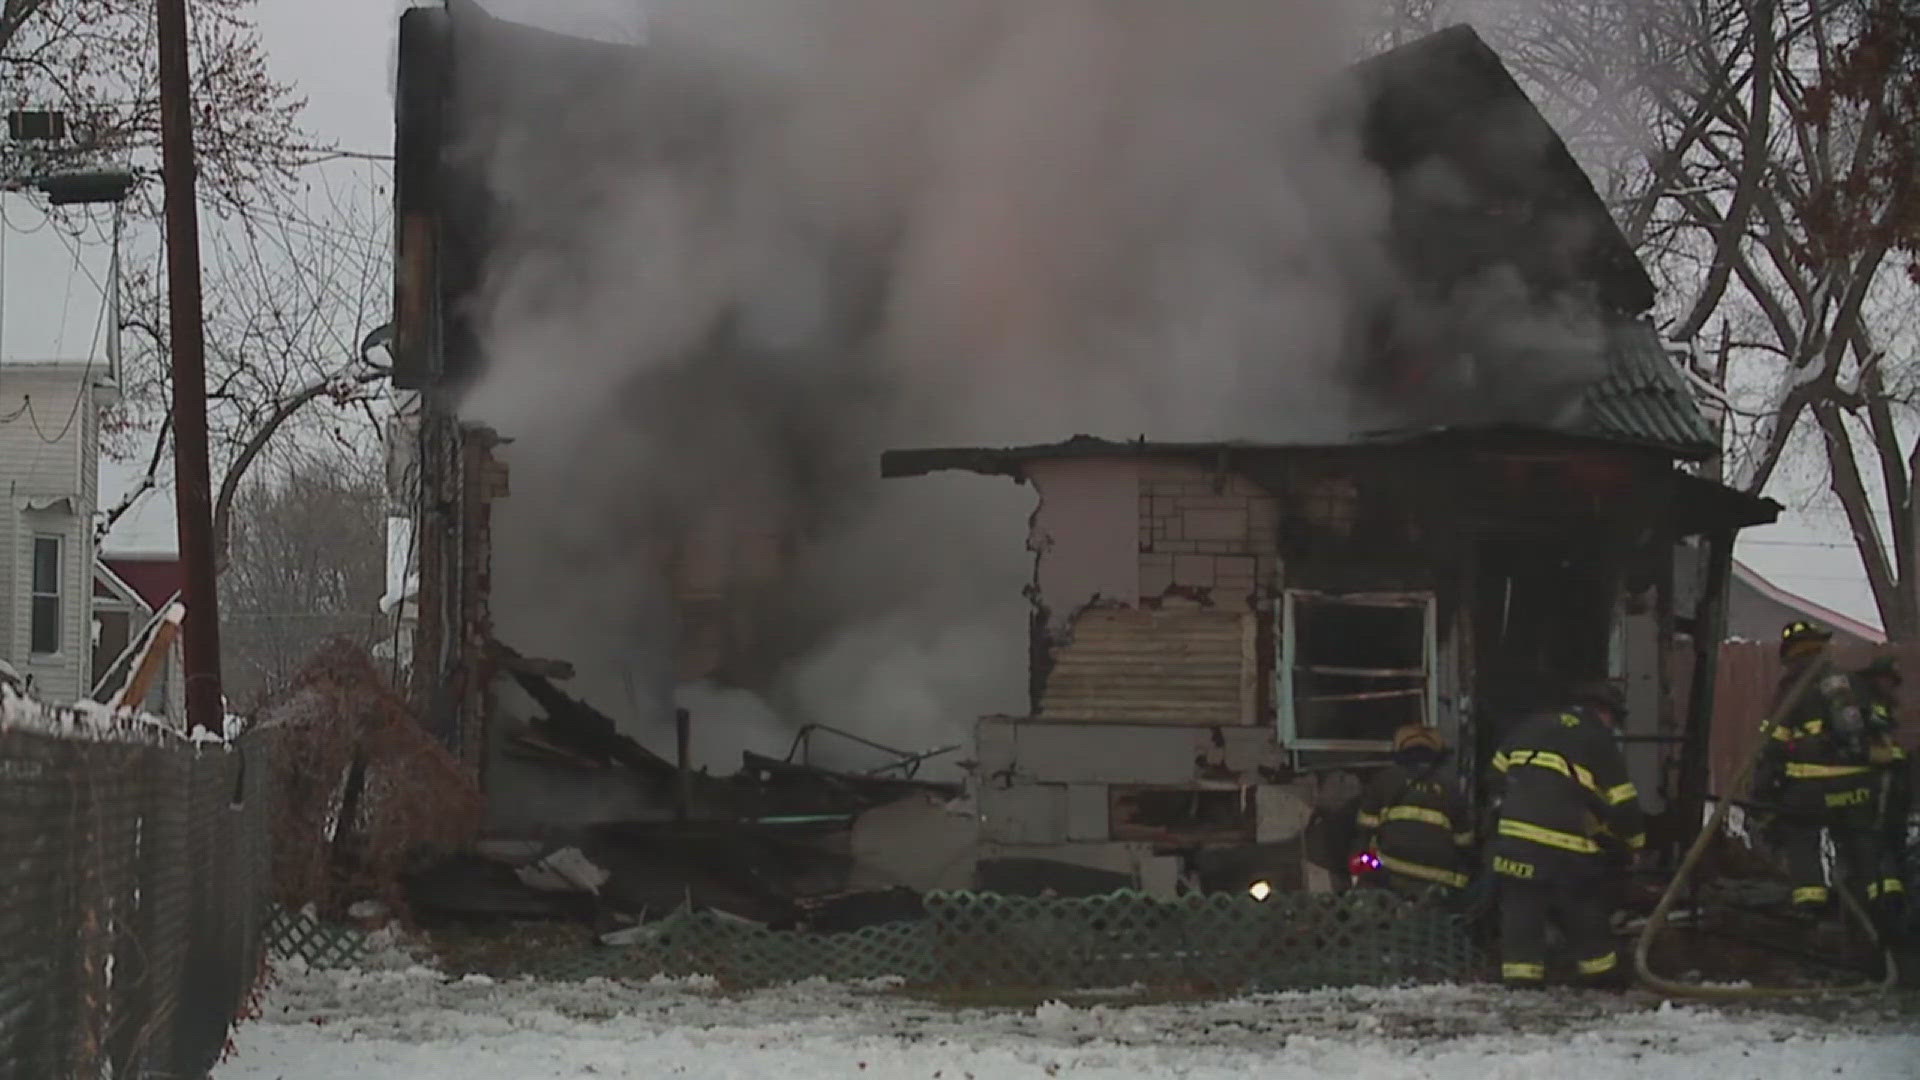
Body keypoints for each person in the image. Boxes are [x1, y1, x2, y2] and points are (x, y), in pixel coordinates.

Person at [1488, 679, 1644, 988]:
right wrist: (1633, 845)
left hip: (1515, 843)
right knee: (1584, 912)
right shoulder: (1597, 738)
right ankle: (1600, 977)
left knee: (1521, 915)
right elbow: (1624, 804)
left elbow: (1494, 778)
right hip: (1567, 848)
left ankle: (1521, 984)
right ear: (1604, 712)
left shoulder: (1530, 726)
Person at [1753, 622, 1894, 928]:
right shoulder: (1853, 683)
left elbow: (1772, 747)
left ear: (1789, 655)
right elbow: (1879, 730)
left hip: (1811, 790)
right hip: (1859, 787)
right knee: (1861, 841)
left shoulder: (1792, 689)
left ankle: (1811, 905)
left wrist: (1761, 792)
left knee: (1801, 836)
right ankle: (1874, 905)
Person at [1351, 723, 1475, 896]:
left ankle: (1360, 898)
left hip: (1389, 874)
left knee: (1362, 857)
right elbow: (1464, 842)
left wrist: (1360, 872)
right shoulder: (1451, 789)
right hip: (1438, 883)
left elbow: (1364, 830)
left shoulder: (1385, 780)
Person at [1855, 656, 1909, 935]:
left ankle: (1890, 906)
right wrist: (1896, 758)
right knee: (1876, 845)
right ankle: (1882, 909)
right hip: (1872, 789)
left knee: (1890, 845)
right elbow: (1869, 750)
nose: (1891, 686)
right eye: (1887, 680)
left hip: (1891, 791)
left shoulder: (1883, 708)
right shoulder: (1867, 708)